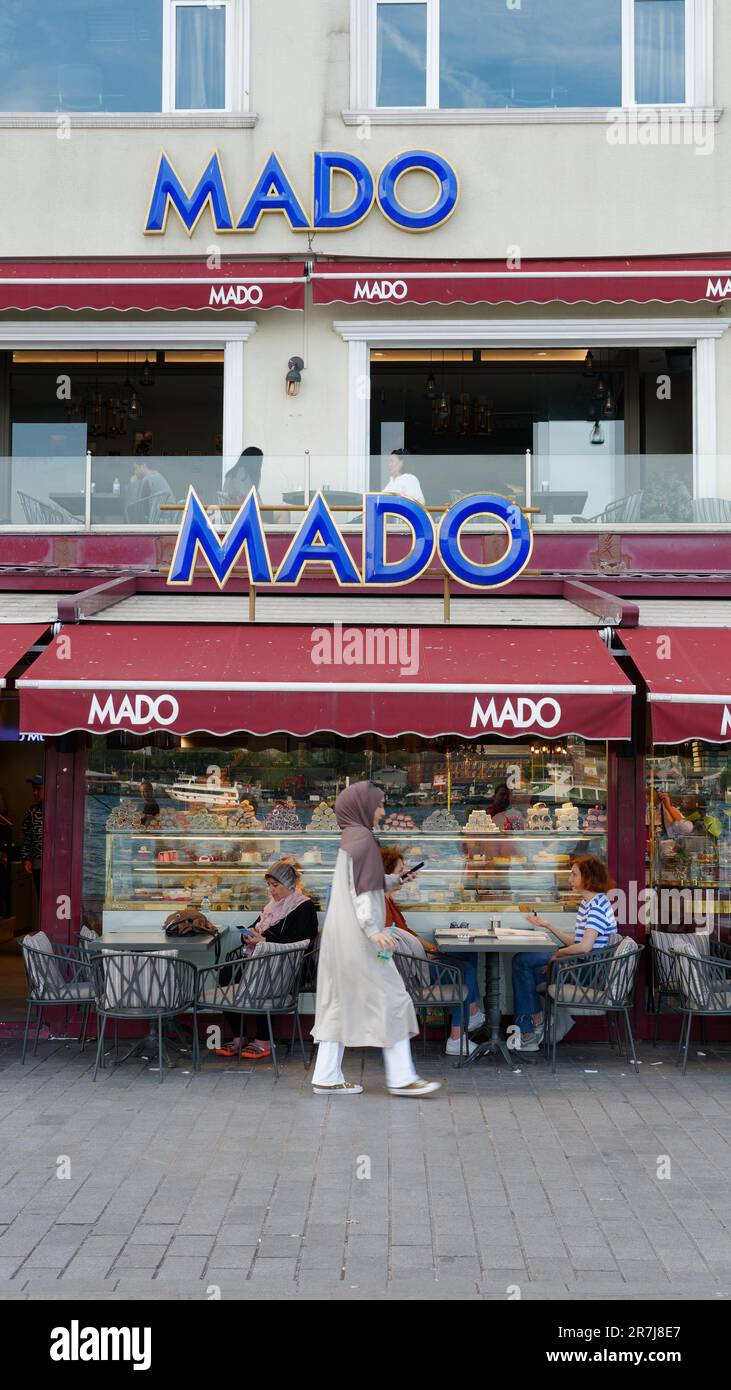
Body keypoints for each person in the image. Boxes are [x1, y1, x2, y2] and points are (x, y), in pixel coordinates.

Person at [311, 782, 440, 1097]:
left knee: (339, 1004)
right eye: (378, 804)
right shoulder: (365, 840)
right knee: (394, 999)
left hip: (340, 940)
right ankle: (402, 1077)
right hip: (361, 941)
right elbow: (364, 893)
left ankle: (326, 1075)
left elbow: (360, 884)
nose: (382, 811)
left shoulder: (349, 839)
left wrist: (395, 881)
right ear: (364, 806)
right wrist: (374, 930)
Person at [380, 846, 485, 1057]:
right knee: (465, 971)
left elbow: (405, 934)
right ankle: (458, 1036)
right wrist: (430, 949)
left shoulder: (388, 901)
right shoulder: (382, 905)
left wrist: (429, 948)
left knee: (468, 956)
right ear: (388, 874)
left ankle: (472, 1012)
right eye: (401, 870)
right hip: (411, 973)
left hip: (413, 963)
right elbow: (399, 935)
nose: (405, 874)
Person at [511, 855, 617, 1052]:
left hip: (588, 972)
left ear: (588, 878)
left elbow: (584, 947)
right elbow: (578, 943)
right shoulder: (590, 903)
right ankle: (535, 1024)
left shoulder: (595, 907)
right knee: (531, 966)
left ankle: (532, 1025)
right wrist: (548, 926)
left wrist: (558, 954)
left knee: (522, 961)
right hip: (584, 964)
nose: (569, 879)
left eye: (574, 875)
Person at [217, 860, 318, 1061]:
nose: (271, 890)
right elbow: (256, 927)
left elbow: (299, 940)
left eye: (275, 885)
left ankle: (263, 1039)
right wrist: (248, 935)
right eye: (269, 885)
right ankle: (240, 1035)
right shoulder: (272, 907)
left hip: (290, 964)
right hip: (263, 957)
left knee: (262, 976)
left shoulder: (304, 907)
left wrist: (264, 940)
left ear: (289, 884)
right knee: (226, 974)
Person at [127, 457, 174, 522]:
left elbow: (137, 502)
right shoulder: (156, 474)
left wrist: (134, 483)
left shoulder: (147, 480)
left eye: (135, 468)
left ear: (143, 466)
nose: (134, 472)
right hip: (169, 516)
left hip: (163, 518)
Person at [22, 775, 44, 902]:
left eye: (38, 788)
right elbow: (27, 837)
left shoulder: (60, 810)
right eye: (33, 789)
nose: (34, 792)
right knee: (42, 900)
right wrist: (26, 859)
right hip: (38, 863)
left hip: (58, 865)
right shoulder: (31, 812)